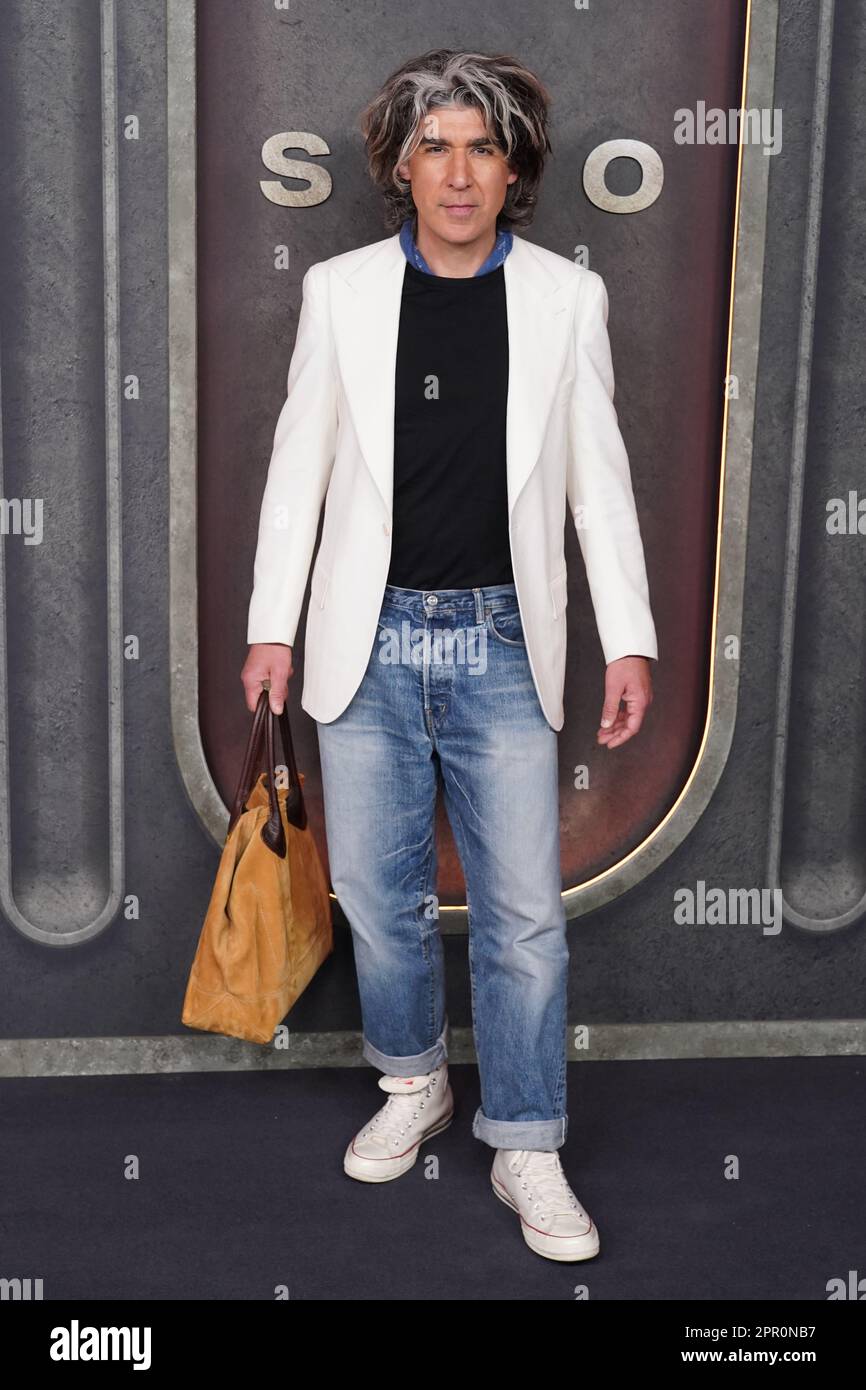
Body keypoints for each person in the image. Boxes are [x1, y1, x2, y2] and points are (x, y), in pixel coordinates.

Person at [241, 48, 657, 1263]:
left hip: (501, 641)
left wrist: (627, 638)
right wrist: (272, 622)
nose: (458, 170)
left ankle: (525, 1140)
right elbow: (295, 475)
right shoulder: (340, 293)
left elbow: (600, 491)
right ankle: (412, 1079)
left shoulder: (566, 301)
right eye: (435, 146)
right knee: (377, 896)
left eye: (481, 146)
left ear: (514, 164)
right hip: (361, 640)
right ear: (400, 165)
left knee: (522, 912)